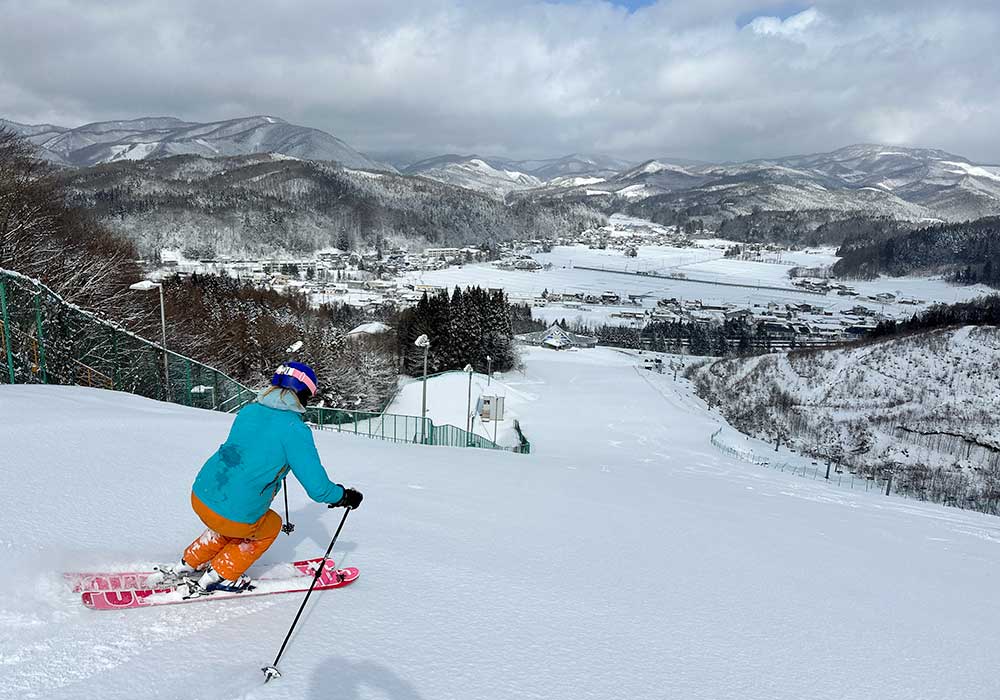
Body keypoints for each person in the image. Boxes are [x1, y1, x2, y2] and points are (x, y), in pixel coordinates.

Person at [165, 361, 363, 594]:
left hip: (202, 493)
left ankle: (189, 562)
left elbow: (250, 452)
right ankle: (221, 575)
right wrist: (343, 496)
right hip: (234, 511)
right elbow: (317, 488)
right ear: (303, 395)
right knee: (269, 525)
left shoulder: (249, 411)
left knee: (232, 519)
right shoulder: (294, 430)